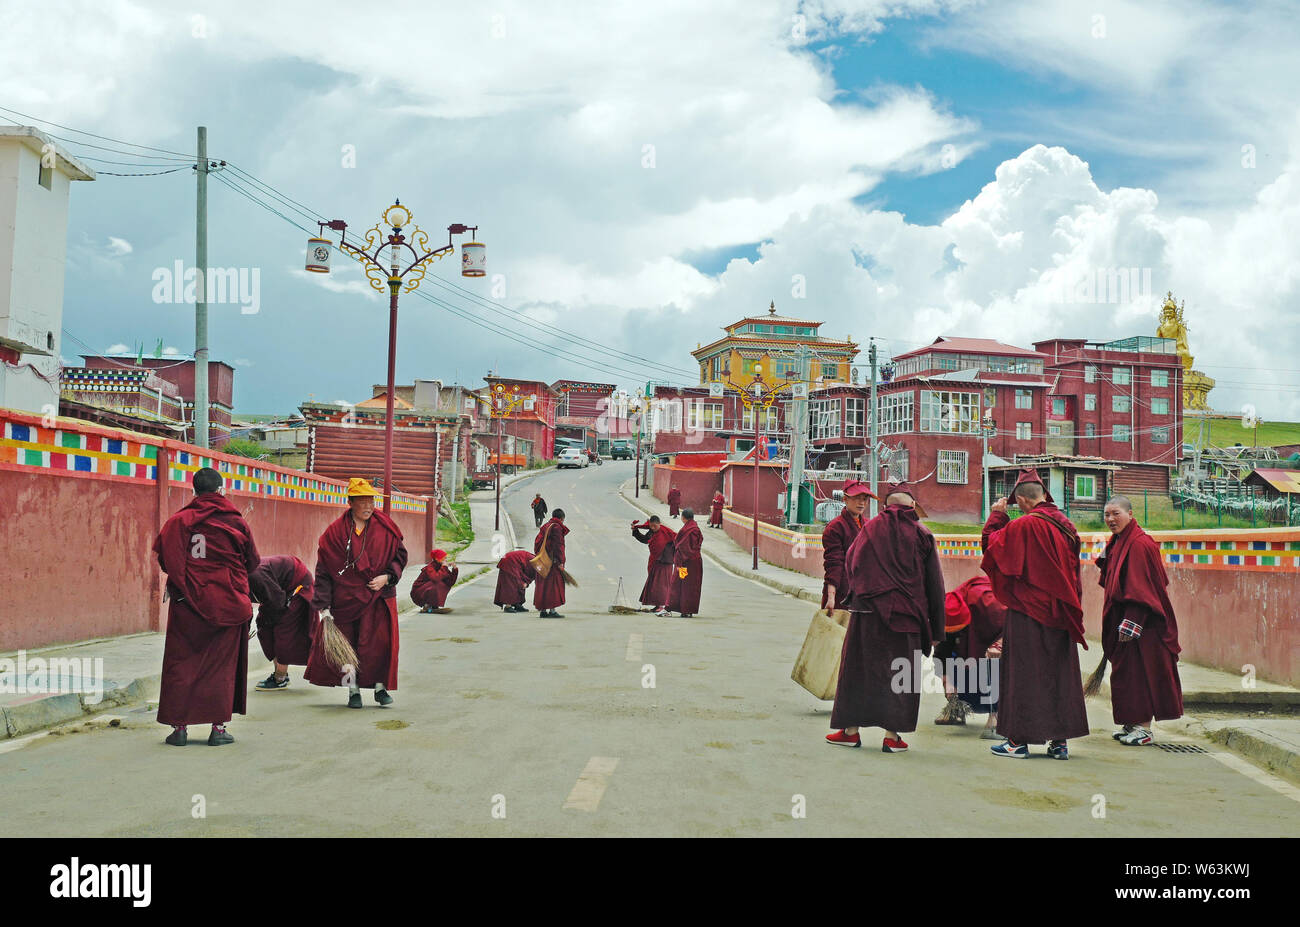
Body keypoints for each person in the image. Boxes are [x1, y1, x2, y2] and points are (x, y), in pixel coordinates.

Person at [826, 482, 945, 753]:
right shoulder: (922, 534)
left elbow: (851, 562)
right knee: (900, 675)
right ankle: (892, 737)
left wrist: (862, 594)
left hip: (867, 614)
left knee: (859, 671)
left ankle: (850, 731)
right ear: (912, 506)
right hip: (907, 618)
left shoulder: (869, 528)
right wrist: (937, 630)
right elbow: (935, 585)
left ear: (885, 506)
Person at [981, 468, 1089, 760]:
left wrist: (997, 515)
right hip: (1061, 612)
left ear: (1023, 501)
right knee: (1058, 675)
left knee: (1024, 674)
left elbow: (991, 547)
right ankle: (1059, 742)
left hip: (1029, 612)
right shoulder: (1066, 525)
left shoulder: (1025, 526)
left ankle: (1018, 742)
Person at [153, 467, 259, 746]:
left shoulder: (178, 521)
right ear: (222, 491)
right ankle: (218, 730)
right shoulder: (237, 523)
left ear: (194, 492)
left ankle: (179, 729)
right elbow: (252, 562)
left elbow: (166, 559)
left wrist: (189, 584)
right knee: (221, 668)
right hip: (227, 603)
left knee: (183, 663)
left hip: (187, 604)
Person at [305, 478, 408, 708]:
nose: (368, 506)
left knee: (380, 645)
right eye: (362, 501)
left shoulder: (386, 527)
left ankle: (380, 688)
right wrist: (324, 606)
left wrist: (388, 577)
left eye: (370, 500)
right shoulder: (334, 534)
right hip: (346, 600)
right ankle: (352, 690)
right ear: (350, 503)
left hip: (379, 597)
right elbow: (323, 571)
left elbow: (400, 556)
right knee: (347, 647)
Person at [1095, 495, 1183, 746]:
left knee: (1141, 674)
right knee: (1125, 674)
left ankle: (1144, 728)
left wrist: (1133, 621)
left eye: (1116, 514)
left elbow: (1144, 587)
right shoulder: (1121, 541)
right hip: (1122, 619)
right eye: (1107, 515)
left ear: (1130, 514)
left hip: (1144, 625)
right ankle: (1132, 722)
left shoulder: (1140, 544)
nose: (1111, 519)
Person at [933, 574, 1006, 738]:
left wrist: (1000, 643)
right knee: (949, 657)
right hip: (969, 642)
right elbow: (941, 650)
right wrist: (947, 679)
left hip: (998, 643)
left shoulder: (993, 607)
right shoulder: (951, 608)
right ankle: (956, 709)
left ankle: (996, 717)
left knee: (995, 659)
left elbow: (1016, 631)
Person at [249, 554, 317, 692]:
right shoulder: (235, 580)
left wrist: (273, 620)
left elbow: (277, 602)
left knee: (283, 631)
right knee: (263, 628)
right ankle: (280, 675)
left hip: (298, 586)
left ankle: (280, 678)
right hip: (278, 591)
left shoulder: (255, 575)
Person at [821, 480, 874, 611]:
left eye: (865, 499)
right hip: (842, 592)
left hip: (864, 591)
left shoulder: (869, 525)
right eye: (856, 498)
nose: (861, 503)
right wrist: (831, 596)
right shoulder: (835, 527)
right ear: (845, 499)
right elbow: (834, 563)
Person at [662, 508, 703, 617]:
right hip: (696, 564)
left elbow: (682, 547)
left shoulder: (687, 530)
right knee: (691, 587)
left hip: (685, 564)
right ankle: (687, 611)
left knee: (676, 584)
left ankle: (668, 608)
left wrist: (678, 563)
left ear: (683, 518)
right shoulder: (696, 528)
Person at [631, 516, 677, 612]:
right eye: (651, 526)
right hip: (654, 560)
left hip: (665, 561)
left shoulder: (667, 532)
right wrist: (635, 531)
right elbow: (644, 540)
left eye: (655, 526)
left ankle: (662, 605)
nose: (653, 528)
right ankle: (657, 605)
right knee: (654, 584)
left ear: (659, 523)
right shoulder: (652, 532)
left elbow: (678, 541)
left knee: (662, 584)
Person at [534, 508, 569, 618]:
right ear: (562, 518)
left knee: (543, 586)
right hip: (552, 563)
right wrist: (560, 561)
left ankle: (543, 611)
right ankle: (552, 611)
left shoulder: (545, 526)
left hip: (543, 561)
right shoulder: (557, 528)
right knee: (553, 586)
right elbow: (559, 546)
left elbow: (537, 543)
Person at [494, 548, 538, 613]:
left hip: (513, 561)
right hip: (509, 562)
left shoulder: (537, 561)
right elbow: (531, 575)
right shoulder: (536, 563)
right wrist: (527, 582)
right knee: (511, 585)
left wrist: (526, 582)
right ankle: (508, 606)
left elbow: (528, 576)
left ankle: (517, 604)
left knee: (520, 583)